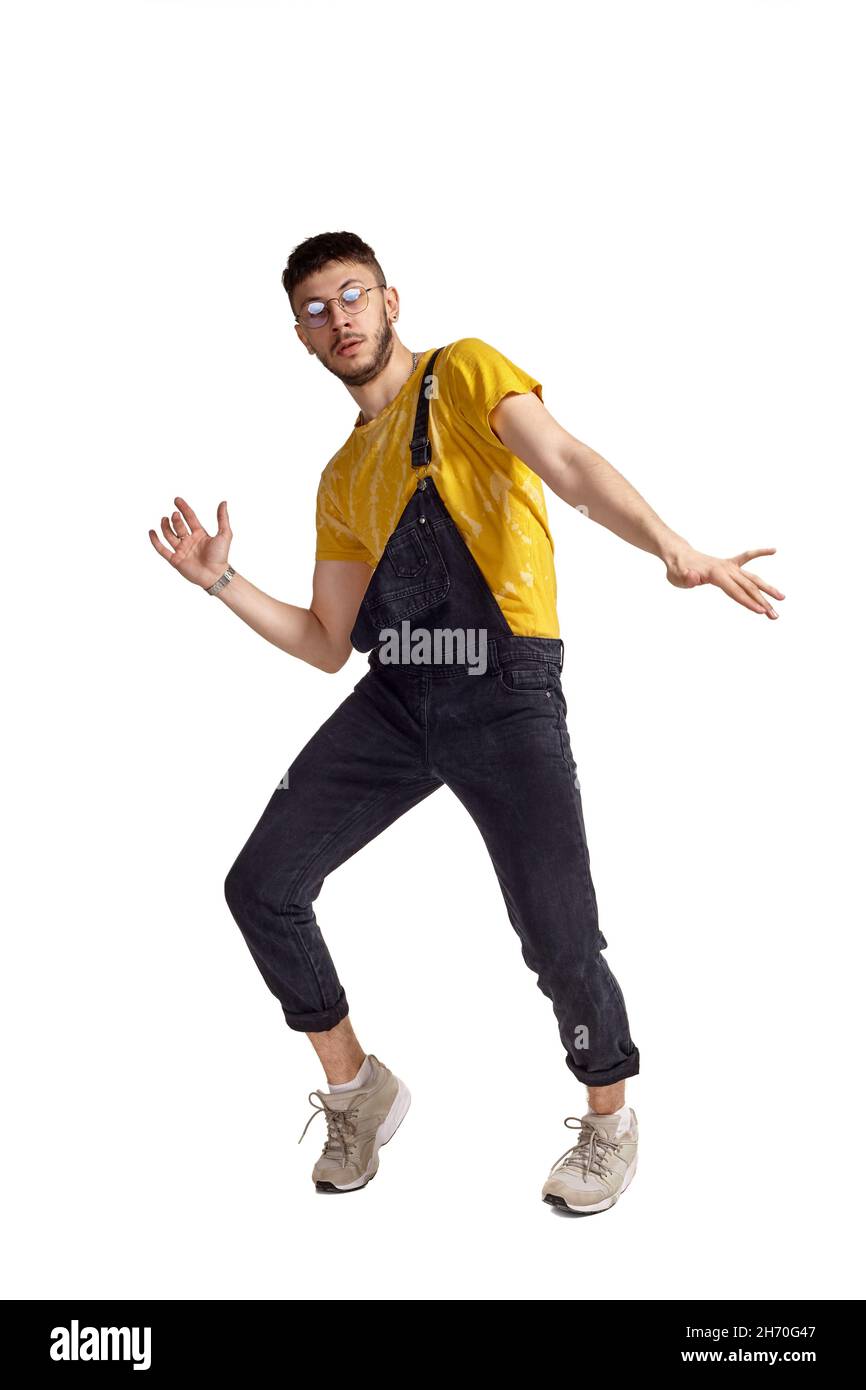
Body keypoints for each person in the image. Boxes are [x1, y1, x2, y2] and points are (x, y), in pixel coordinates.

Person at [149, 230, 784, 1215]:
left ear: (389, 297)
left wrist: (671, 544)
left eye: (352, 294)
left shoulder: (464, 374)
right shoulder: (340, 477)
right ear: (301, 336)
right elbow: (325, 640)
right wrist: (221, 581)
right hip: (398, 696)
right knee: (261, 884)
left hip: (506, 691)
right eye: (317, 308)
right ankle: (359, 1089)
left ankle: (608, 1115)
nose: (340, 317)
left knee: (556, 933)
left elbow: (566, 465)